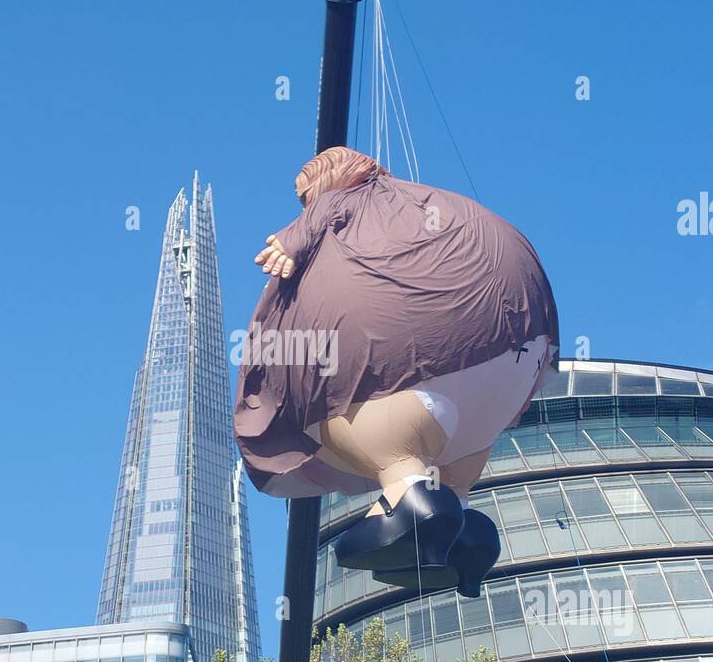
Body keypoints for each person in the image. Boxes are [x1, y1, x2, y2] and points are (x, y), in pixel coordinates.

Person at [233, 146, 560, 595]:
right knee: (455, 467)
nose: (306, 204)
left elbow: (318, 217)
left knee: (392, 444)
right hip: (512, 360)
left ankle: (409, 493)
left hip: (400, 368)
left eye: (304, 196)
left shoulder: (339, 200)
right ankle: (465, 528)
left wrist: (290, 243)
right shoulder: (433, 201)